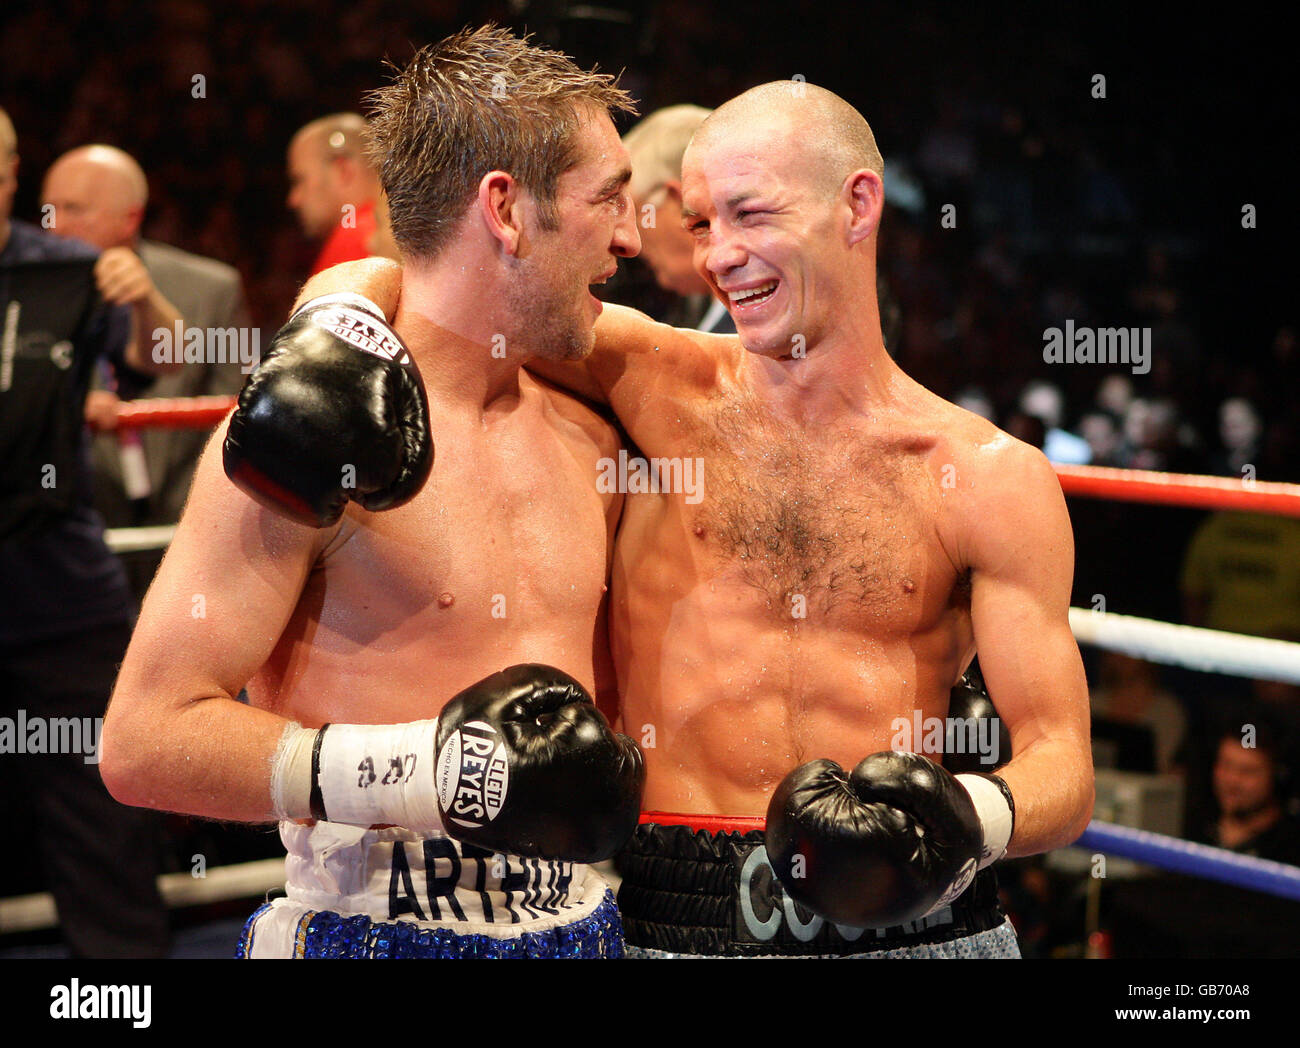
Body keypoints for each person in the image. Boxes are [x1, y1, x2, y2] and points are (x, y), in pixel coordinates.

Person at [301, 79, 1095, 958]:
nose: (720, 256)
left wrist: (967, 819)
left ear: (858, 205)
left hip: (921, 922)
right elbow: (432, 283)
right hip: (674, 913)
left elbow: (1063, 764)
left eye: (750, 216)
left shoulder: (989, 478)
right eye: (703, 225)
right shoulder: (658, 383)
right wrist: (329, 323)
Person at [100, 27, 645, 960]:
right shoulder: (310, 446)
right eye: (609, 199)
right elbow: (144, 741)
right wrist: (424, 776)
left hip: (583, 926)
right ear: (505, 212)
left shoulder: (593, 434)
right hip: (371, 928)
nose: (633, 236)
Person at [0, 107, 180, 957]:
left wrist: (144, 296)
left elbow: (167, 356)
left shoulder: (66, 271)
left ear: (9, 177)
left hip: (57, 592)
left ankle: (121, 1000)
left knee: (97, 825)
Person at [41, 144, 253, 597]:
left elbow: (238, 409)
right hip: (78, 534)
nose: (54, 226)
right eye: (49, 209)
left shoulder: (210, 289)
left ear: (130, 219)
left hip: (187, 524)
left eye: (73, 210)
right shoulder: (27, 293)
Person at [621, 104, 733, 333]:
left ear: (683, 204)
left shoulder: (758, 334)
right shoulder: (690, 315)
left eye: (638, 213)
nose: (629, 240)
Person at [286, 113, 381, 277]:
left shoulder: (354, 236)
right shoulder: (398, 227)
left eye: (299, 181)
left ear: (342, 170)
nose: (293, 199)